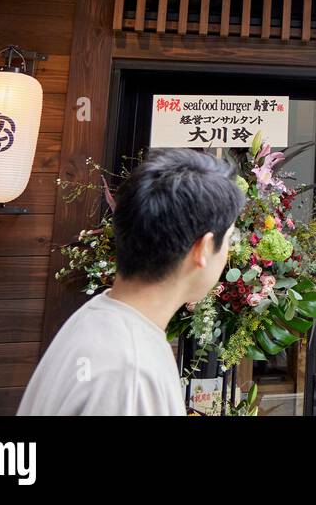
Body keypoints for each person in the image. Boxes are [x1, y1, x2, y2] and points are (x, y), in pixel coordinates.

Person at [18, 149, 244, 415]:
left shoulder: (99, 321)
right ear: (203, 249)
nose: (228, 252)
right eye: (230, 237)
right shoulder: (129, 373)